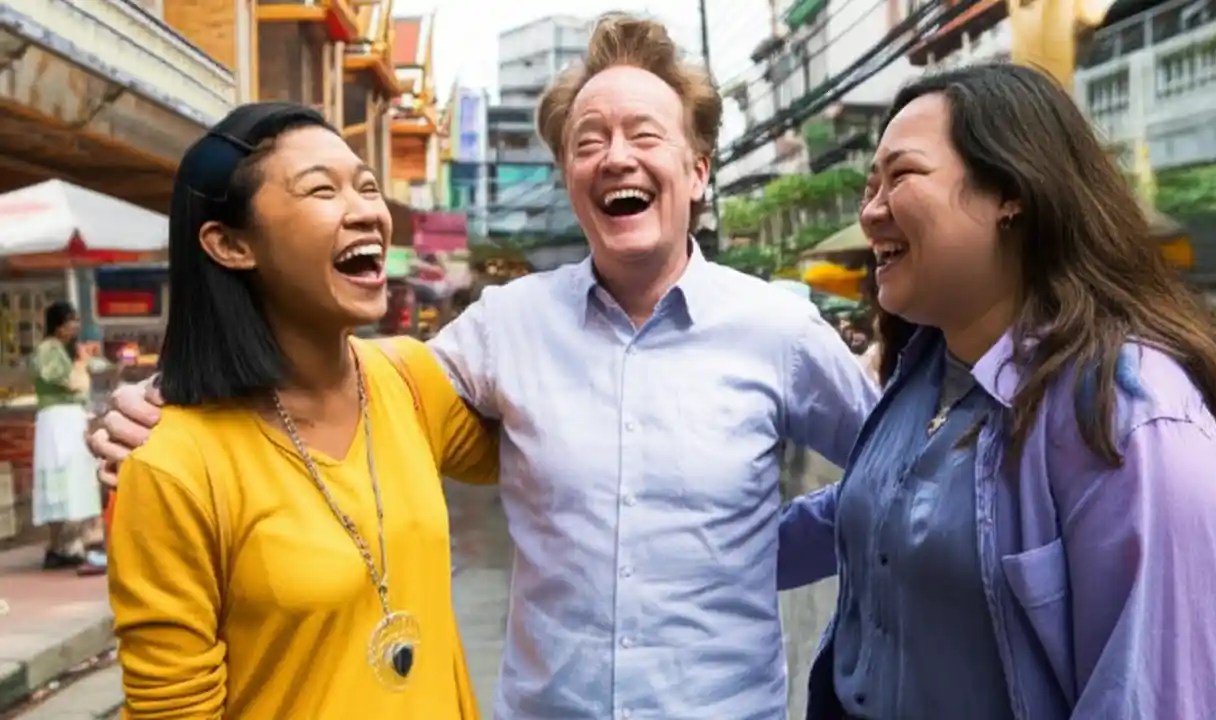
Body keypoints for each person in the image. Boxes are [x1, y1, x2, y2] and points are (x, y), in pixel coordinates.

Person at [89, 14, 879, 719]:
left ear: (698, 170)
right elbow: (319, 390)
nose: (616, 158)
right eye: (588, 142)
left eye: (644, 136)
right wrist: (164, 403)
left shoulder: (779, 329)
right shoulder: (503, 328)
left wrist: (765, 548)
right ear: (569, 179)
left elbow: (904, 471)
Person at [778, 63, 1216, 719]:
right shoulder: (927, 371)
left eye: (901, 176)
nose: (871, 212)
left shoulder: (1131, 421)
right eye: (869, 187)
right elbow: (875, 508)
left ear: (1011, 192)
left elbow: (1157, 698)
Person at [105, 102, 497, 718]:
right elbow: (171, 708)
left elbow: (556, 450)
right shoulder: (171, 463)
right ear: (231, 244)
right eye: (322, 190)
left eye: (367, 187)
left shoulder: (410, 379)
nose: (366, 211)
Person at [31, 300, 107, 575]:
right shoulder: (47, 350)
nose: (73, 327)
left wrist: (91, 359)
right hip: (57, 420)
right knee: (59, 479)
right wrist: (82, 363)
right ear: (56, 325)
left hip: (72, 419)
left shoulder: (70, 348)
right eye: (68, 322)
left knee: (76, 478)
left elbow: (97, 367)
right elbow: (67, 380)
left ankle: (72, 544)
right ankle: (59, 546)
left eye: (75, 321)